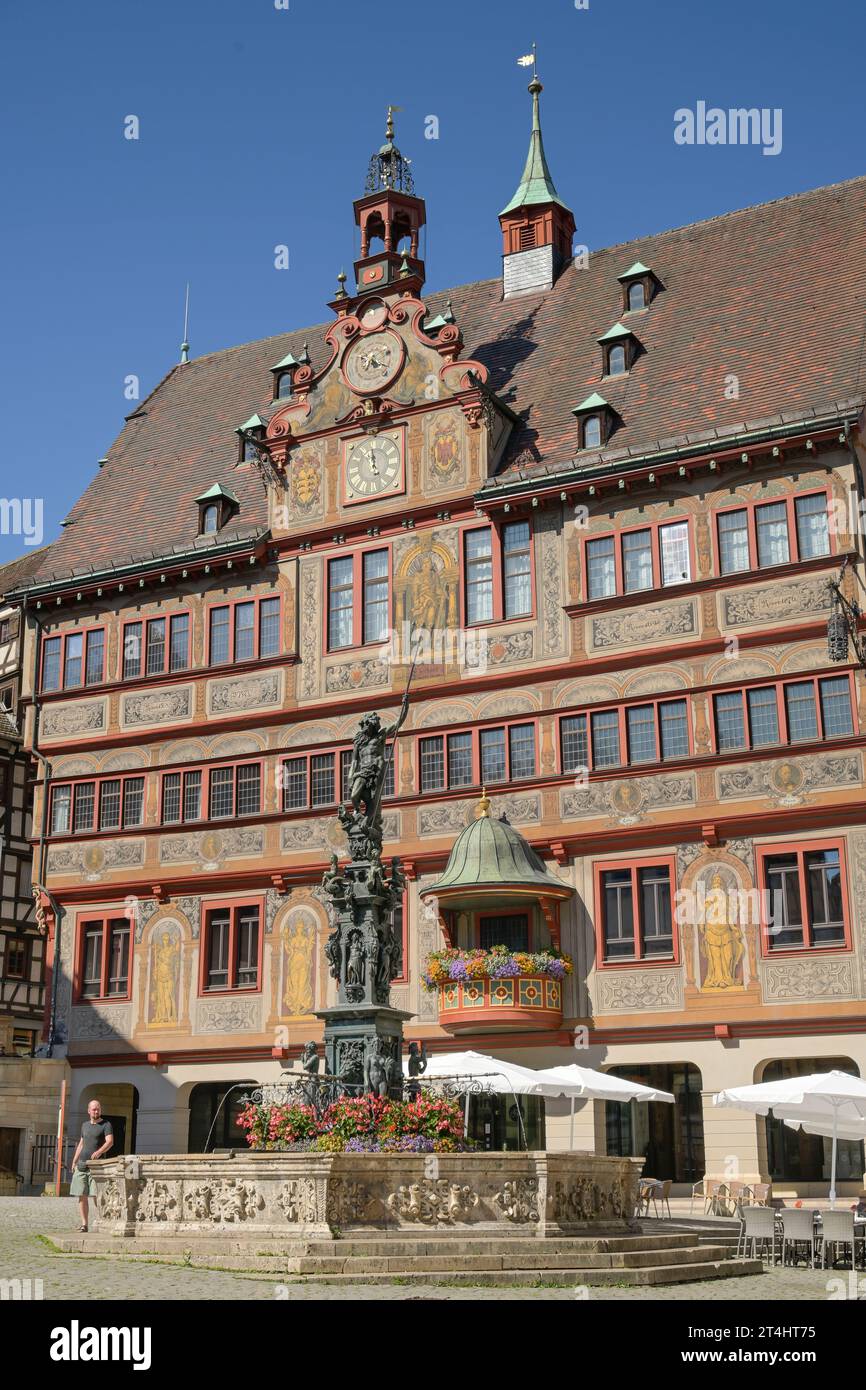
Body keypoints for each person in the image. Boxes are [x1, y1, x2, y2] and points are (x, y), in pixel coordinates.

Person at [69, 1099, 114, 1232]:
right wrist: (74, 1160)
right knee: (81, 1195)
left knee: (96, 1195)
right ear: (89, 1111)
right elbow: (81, 1143)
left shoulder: (106, 1124)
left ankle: (102, 1221)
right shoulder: (84, 1125)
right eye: (94, 1109)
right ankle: (84, 1224)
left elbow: (110, 1142)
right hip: (82, 1165)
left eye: (98, 1109)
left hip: (96, 1167)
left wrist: (99, 1152)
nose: (96, 1111)